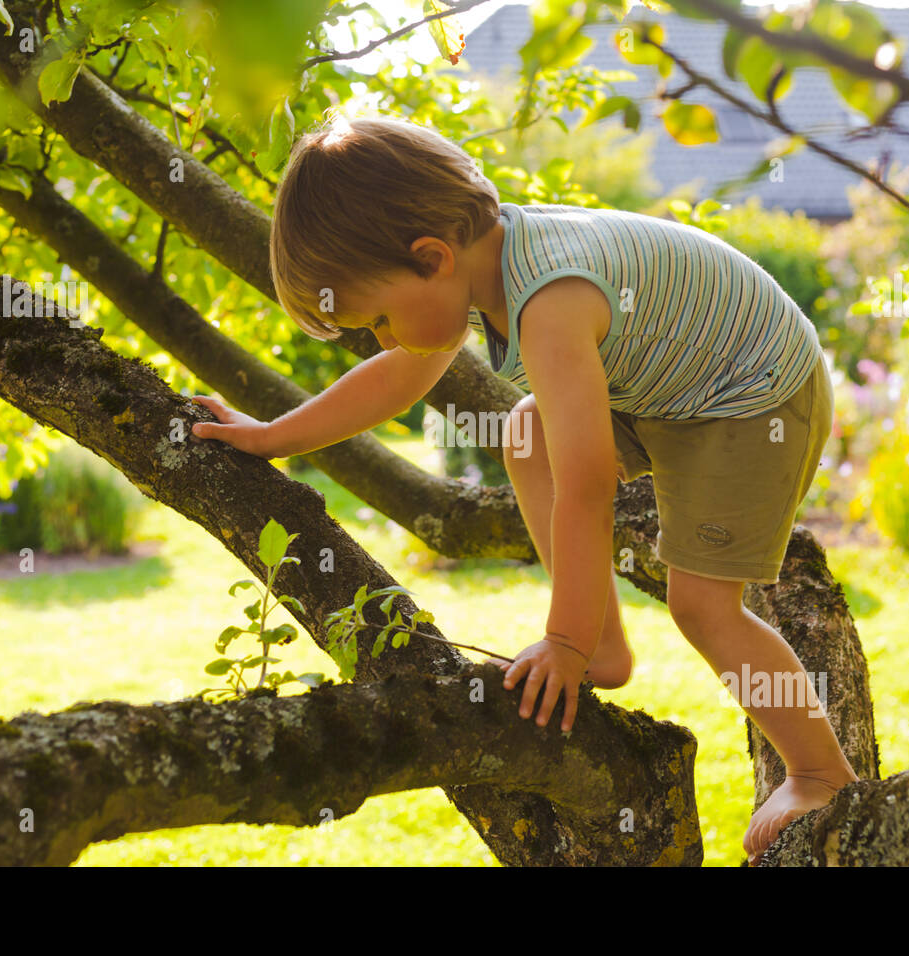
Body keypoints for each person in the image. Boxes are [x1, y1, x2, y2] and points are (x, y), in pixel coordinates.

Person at [190, 114, 859, 865]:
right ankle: (603, 643)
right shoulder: (484, 265)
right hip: (675, 394)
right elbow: (394, 383)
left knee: (701, 604)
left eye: (377, 318)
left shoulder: (550, 301)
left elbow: (586, 485)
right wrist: (271, 436)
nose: (383, 338)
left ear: (432, 257)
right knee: (526, 432)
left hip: (753, 395)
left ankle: (818, 771)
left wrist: (558, 640)